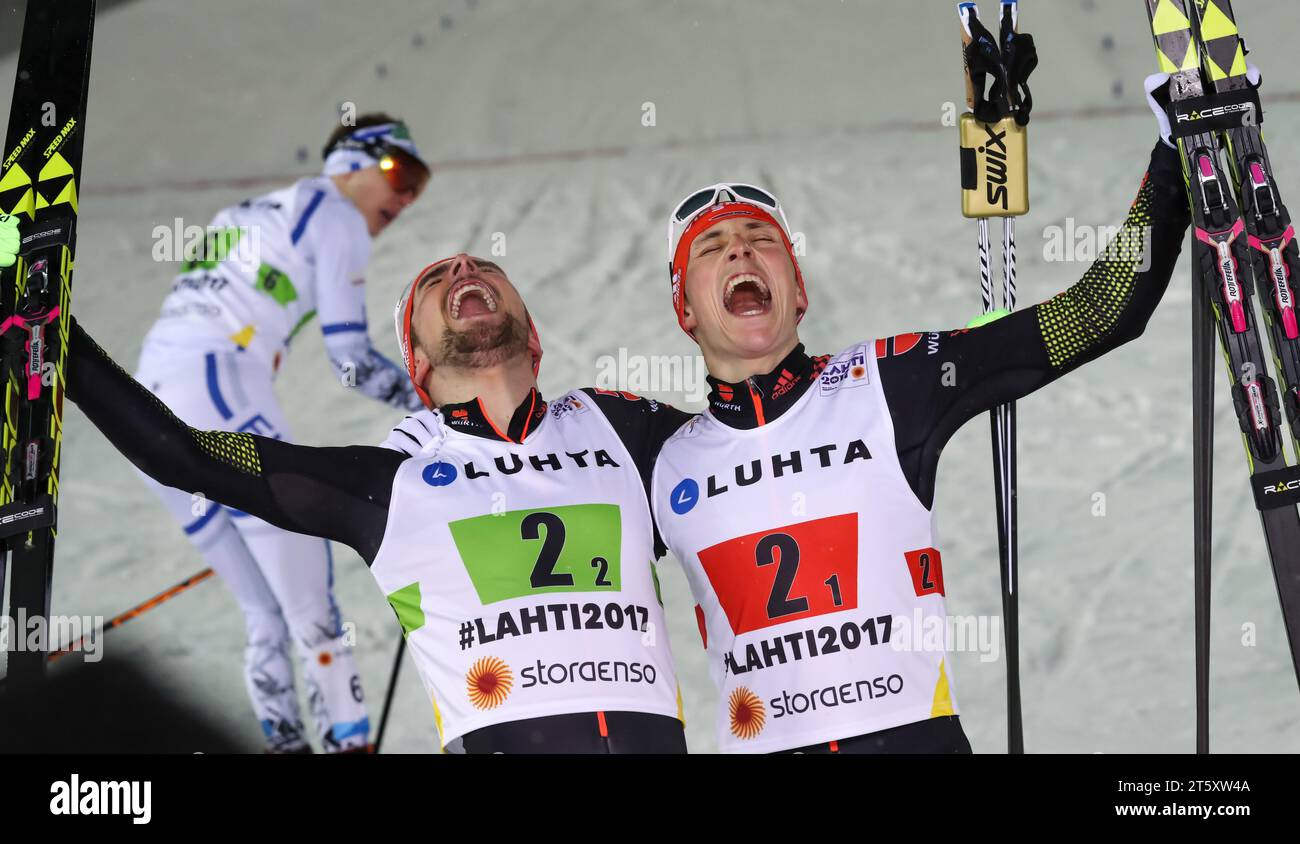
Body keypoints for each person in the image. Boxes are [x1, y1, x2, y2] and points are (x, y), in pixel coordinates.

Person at [645, 78, 1194, 753]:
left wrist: (1177, 154)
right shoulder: (658, 455)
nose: (740, 250)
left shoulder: (886, 383)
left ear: (799, 291)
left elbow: (1098, 312)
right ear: (686, 312)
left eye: (762, 240)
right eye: (712, 246)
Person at [44, 245, 694, 753]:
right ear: (416, 361)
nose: (464, 267)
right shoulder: (389, 480)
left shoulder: (621, 427)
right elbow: (182, 454)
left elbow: (764, 444)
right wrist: (60, 342)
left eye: (483, 266)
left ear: (534, 337)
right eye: (437, 280)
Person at [127, 114, 430, 752]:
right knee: (312, 606)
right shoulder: (341, 216)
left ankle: (286, 742)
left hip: (149, 395)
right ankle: (348, 745)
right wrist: (428, 398)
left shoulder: (252, 207)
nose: (405, 198)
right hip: (218, 385)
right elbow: (349, 359)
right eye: (401, 173)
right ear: (352, 160)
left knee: (265, 612)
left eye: (418, 185)